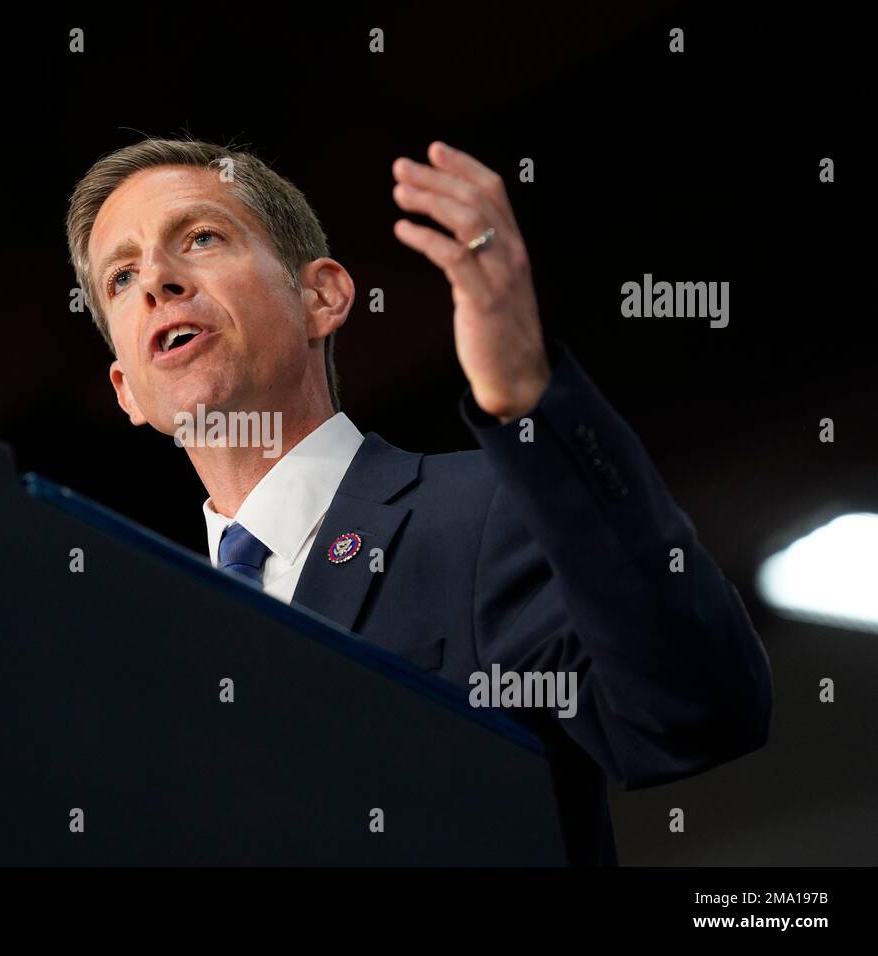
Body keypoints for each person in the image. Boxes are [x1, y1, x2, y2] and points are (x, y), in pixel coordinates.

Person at [63, 136, 772, 865]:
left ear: (323, 297)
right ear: (126, 393)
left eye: (201, 237)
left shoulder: (488, 509)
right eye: (120, 277)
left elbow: (695, 716)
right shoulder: (144, 659)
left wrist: (532, 397)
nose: (156, 280)